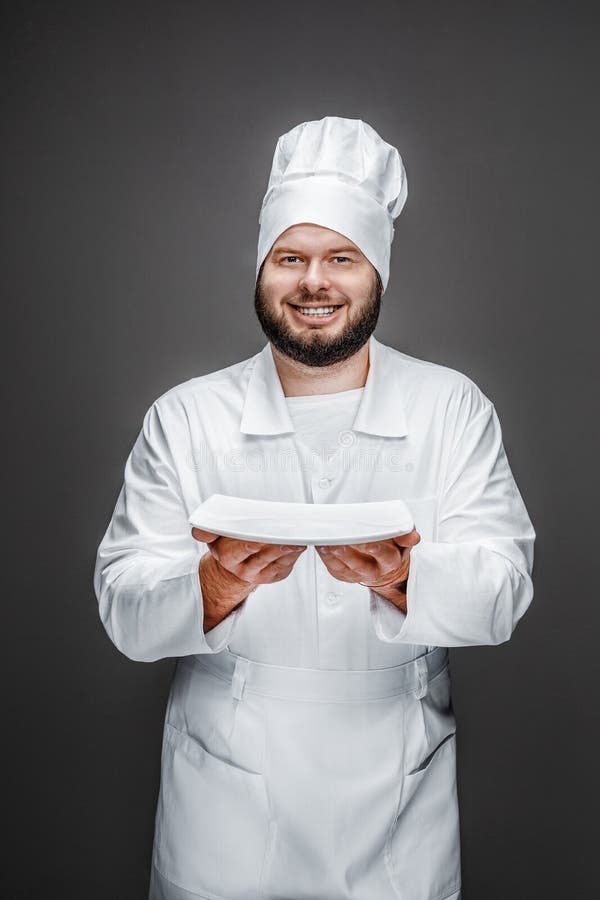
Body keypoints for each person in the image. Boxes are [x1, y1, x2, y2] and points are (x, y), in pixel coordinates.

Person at [94, 116, 535, 900]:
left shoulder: (451, 409)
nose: (314, 283)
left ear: (378, 274)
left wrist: (404, 578)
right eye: (289, 258)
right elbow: (125, 609)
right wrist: (213, 588)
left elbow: (503, 593)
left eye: (342, 258)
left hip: (397, 789)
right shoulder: (186, 417)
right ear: (261, 269)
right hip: (223, 794)